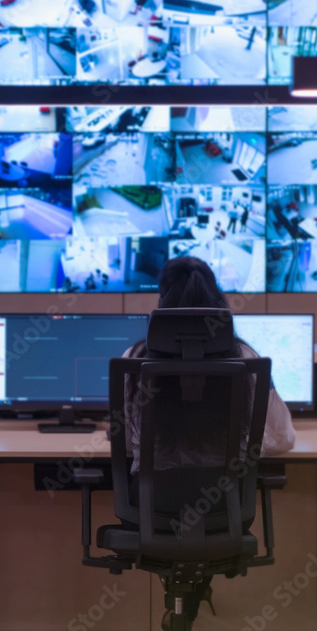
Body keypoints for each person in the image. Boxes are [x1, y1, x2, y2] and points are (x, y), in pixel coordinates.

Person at [121, 257, 295, 630]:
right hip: (226, 510)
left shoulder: (134, 360)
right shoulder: (246, 359)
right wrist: (244, 444)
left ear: (161, 301)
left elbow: (125, 444)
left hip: (152, 509)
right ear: (219, 299)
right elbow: (283, 440)